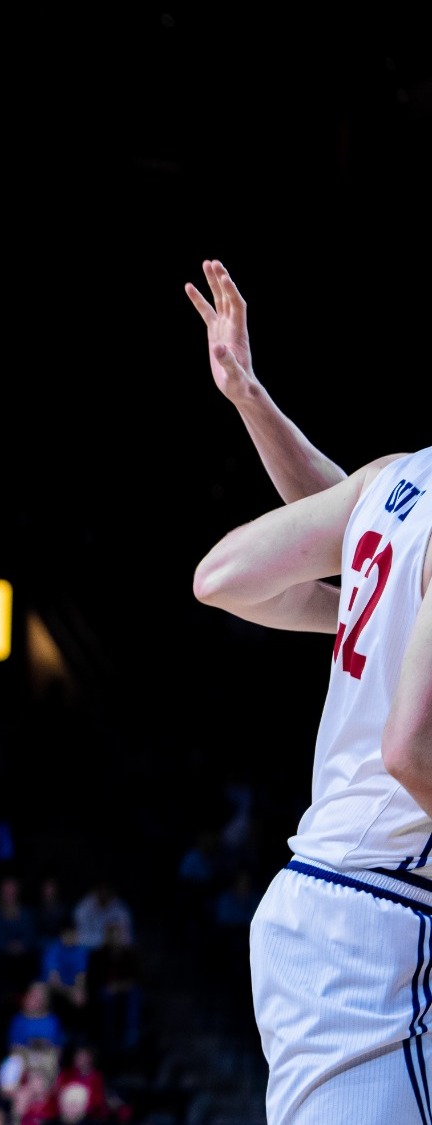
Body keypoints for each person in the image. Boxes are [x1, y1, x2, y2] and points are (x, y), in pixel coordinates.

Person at [188, 257, 432, 1121]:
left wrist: (249, 395)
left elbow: (221, 576)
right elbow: (411, 752)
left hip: (330, 899)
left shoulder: (403, 478)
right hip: (382, 914)